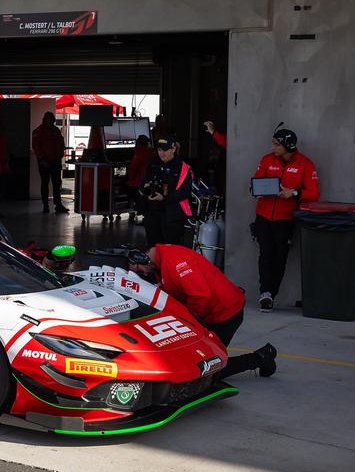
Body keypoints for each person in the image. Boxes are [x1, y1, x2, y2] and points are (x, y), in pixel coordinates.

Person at [127, 246, 277, 378]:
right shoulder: (162, 262)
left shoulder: (176, 262)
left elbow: (201, 295)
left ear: (145, 259)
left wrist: (189, 322)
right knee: (191, 364)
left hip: (225, 313)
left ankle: (261, 357)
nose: (144, 275)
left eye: (140, 271)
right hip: (214, 311)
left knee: (206, 372)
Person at [251, 128, 319, 312]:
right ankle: (265, 293)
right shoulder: (267, 159)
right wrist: (255, 190)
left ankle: (272, 293)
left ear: (288, 145)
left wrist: (293, 193)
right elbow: (256, 181)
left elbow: (314, 192)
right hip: (263, 216)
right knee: (265, 255)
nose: (273, 147)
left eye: (277, 144)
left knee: (280, 258)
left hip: (286, 219)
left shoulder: (305, 164)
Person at [140, 135, 193, 246]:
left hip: (172, 215)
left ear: (173, 149)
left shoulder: (182, 167)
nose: (161, 153)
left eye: (165, 150)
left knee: (170, 249)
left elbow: (185, 192)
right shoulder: (153, 163)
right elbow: (142, 185)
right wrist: (145, 189)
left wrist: (164, 198)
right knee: (154, 247)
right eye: (159, 150)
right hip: (152, 212)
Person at [31, 111, 69, 214]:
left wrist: (60, 155)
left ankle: (58, 205)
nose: (50, 122)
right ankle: (45, 205)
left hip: (55, 161)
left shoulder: (56, 130)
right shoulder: (38, 131)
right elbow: (36, 146)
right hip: (45, 163)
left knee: (57, 184)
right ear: (45, 120)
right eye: (49, 120)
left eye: (52, 120)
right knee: (45, 184)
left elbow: (61, 143)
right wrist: (42, 159)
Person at [127, 135, 154, 221]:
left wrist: (127, 179)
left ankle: (137, 208)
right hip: (150, 182)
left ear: (137, 143)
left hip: (138, 183)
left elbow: (132, 170)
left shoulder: (138, 153)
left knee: (124, 187)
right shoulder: (152, 152)